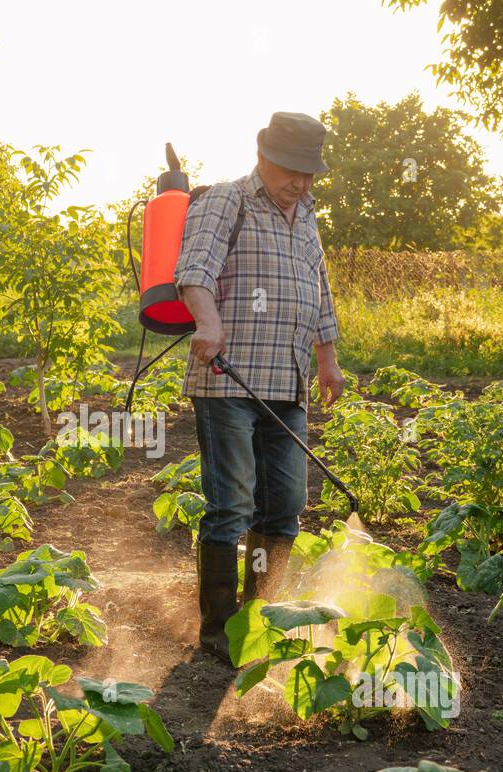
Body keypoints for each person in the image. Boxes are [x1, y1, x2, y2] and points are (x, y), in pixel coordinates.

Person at [174, 111, 346, 664]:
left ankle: (262, 615)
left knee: (286, 507)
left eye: (309, 173)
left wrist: (328, 359)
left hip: (287, 382)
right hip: (229, 379)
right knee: (233, 505)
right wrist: (209, 322)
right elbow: (194, 270)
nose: (300, 182)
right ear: (264, 157)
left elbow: (317, 291)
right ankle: (219, 633)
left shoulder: (308, 215)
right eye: (292, 170)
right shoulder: (228, 200)